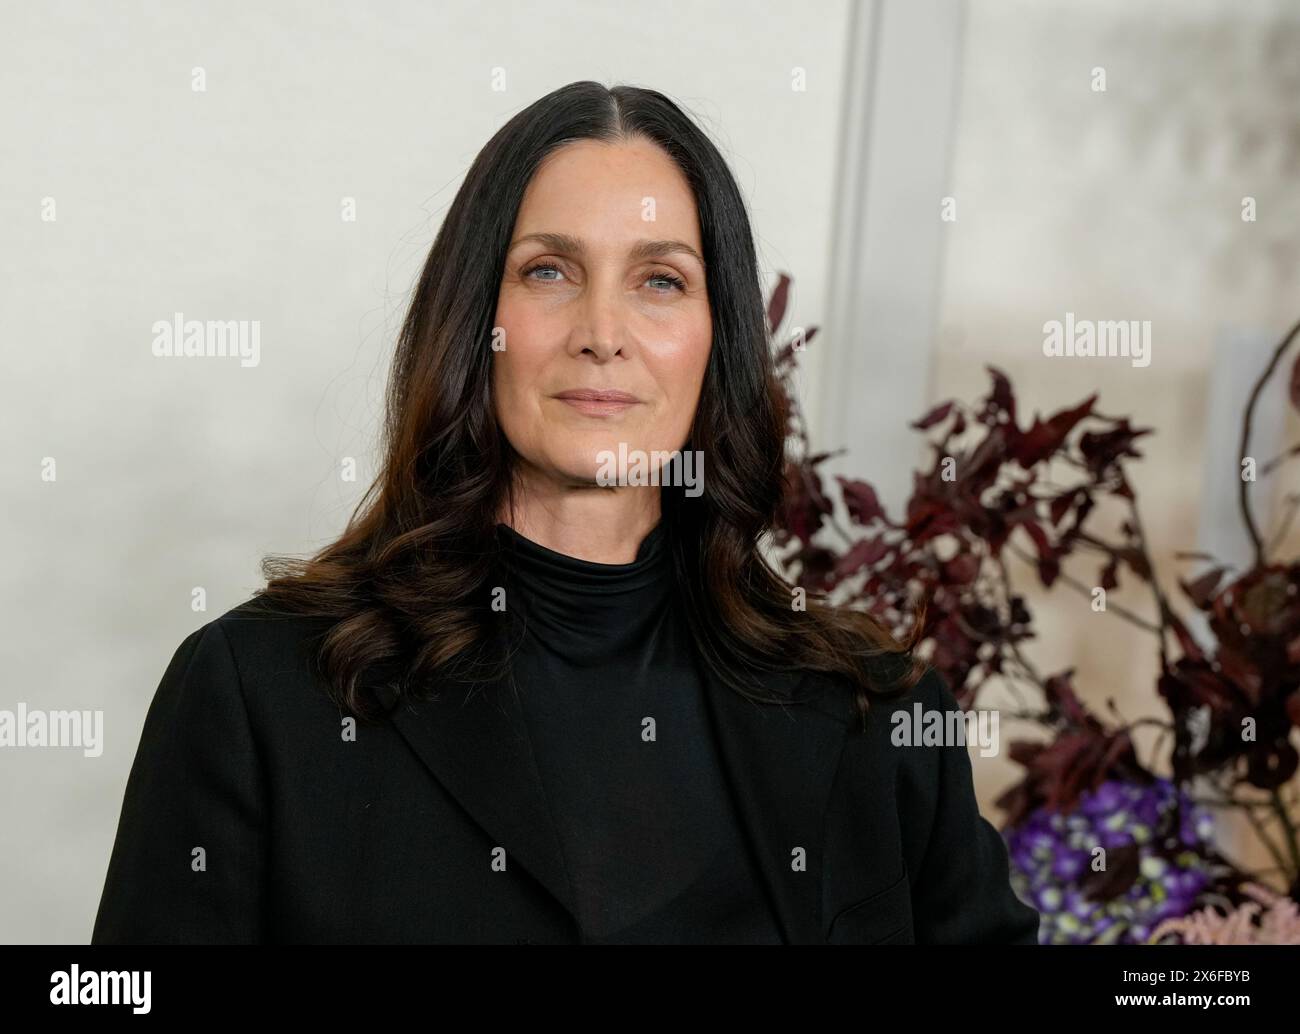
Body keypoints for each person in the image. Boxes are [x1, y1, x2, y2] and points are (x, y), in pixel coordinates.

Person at [91, 80, 1041, 945]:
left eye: (660, 280)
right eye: (549, 270)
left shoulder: (875, 712)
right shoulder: (260, 692)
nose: (601, 335)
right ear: (476, 319)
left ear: (717, 340)